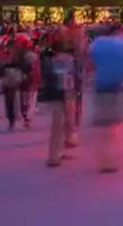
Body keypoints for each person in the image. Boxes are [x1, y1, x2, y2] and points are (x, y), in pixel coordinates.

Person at [89, 24, 123, 174]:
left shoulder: (97, 44)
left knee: (105, 121)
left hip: (101, 83)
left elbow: (89, 63)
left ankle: (104, 156)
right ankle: (106, 160)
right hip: (118, 85)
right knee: (111, 122)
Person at [40, 33, 76, 167]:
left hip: (54, 93)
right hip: (62, 93)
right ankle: (53, 156)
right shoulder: (66, 60)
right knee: (59, 124)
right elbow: (65, 79)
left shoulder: (50, 60)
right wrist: (68, 95)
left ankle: (56, 153)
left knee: (58, 124)